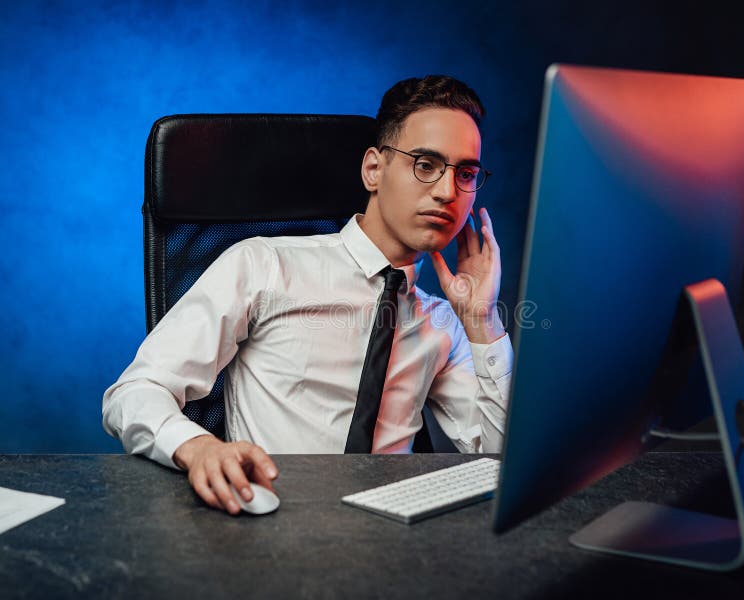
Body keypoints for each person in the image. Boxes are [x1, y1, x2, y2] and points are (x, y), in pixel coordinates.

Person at [102, 75, 513, 515]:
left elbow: (501, 458)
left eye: (465, 173)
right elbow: (134, 391)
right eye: (425, 164)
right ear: (373, 170)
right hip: (275, 524)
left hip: (392, 539)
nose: (448, 192)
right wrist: (198, 447)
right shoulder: (265, 266)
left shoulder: (443, 322)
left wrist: (482, 322)